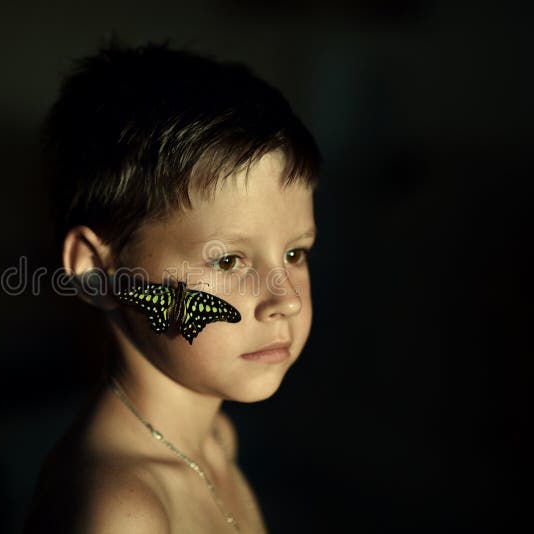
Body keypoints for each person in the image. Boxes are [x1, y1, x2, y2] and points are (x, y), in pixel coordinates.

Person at [22, 38, 321, 533]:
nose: (285, 299)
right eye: (228, 260)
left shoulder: (215, 438)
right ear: (97, 271)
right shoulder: (124, 513)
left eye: (296, 253)